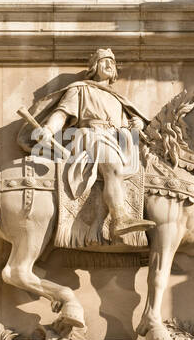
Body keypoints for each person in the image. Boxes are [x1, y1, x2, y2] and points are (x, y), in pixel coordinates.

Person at [23, 48, 152, 237]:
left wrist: (137, 124)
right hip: (92, 136)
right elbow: (62, 114)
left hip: (121, 141)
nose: (109, 64)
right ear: (94, 67)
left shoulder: (117, 98)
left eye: (112, 62)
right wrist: (49, 129)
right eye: (104, 61)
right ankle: (119, 218)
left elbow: (125, 122)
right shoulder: (80, 89)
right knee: (113, 168)